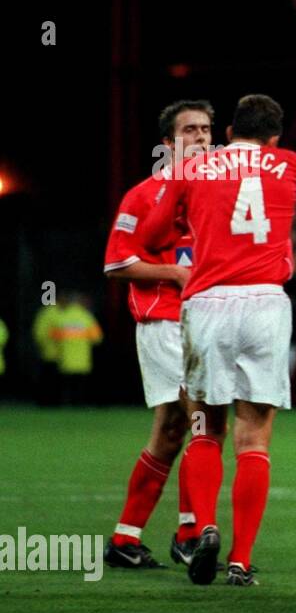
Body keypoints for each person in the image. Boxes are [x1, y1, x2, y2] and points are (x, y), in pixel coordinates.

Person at [137, 94, 296, 587]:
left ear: (228, 131)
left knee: (205, 428)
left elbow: (152, 233)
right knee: (254, 438)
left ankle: (203, 526)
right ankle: (240, 560)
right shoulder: (289, 163)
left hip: (208, 303)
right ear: (274, 138)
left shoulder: (195, 168)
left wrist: (189, 214)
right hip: (266, 304)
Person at [101, 99, 212, 569]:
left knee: (171, 432)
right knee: (200, 422)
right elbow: (116, 263)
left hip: (208, 321)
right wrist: (175, 274)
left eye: (207, 130)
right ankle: (190, 533)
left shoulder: (222, 194)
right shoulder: (144, 195)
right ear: (167, 144)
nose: (202, 139)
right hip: (165, 321)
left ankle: (126, 540)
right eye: (190, 131)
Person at [52, 293, 102, 404]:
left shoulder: (61, 317)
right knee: (80, 386)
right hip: (82, 359)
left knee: (66, 385)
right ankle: (79, 404)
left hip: (65, 357)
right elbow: (97, 338)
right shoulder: (86, 317)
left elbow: (54, 337)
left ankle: (65, 404)